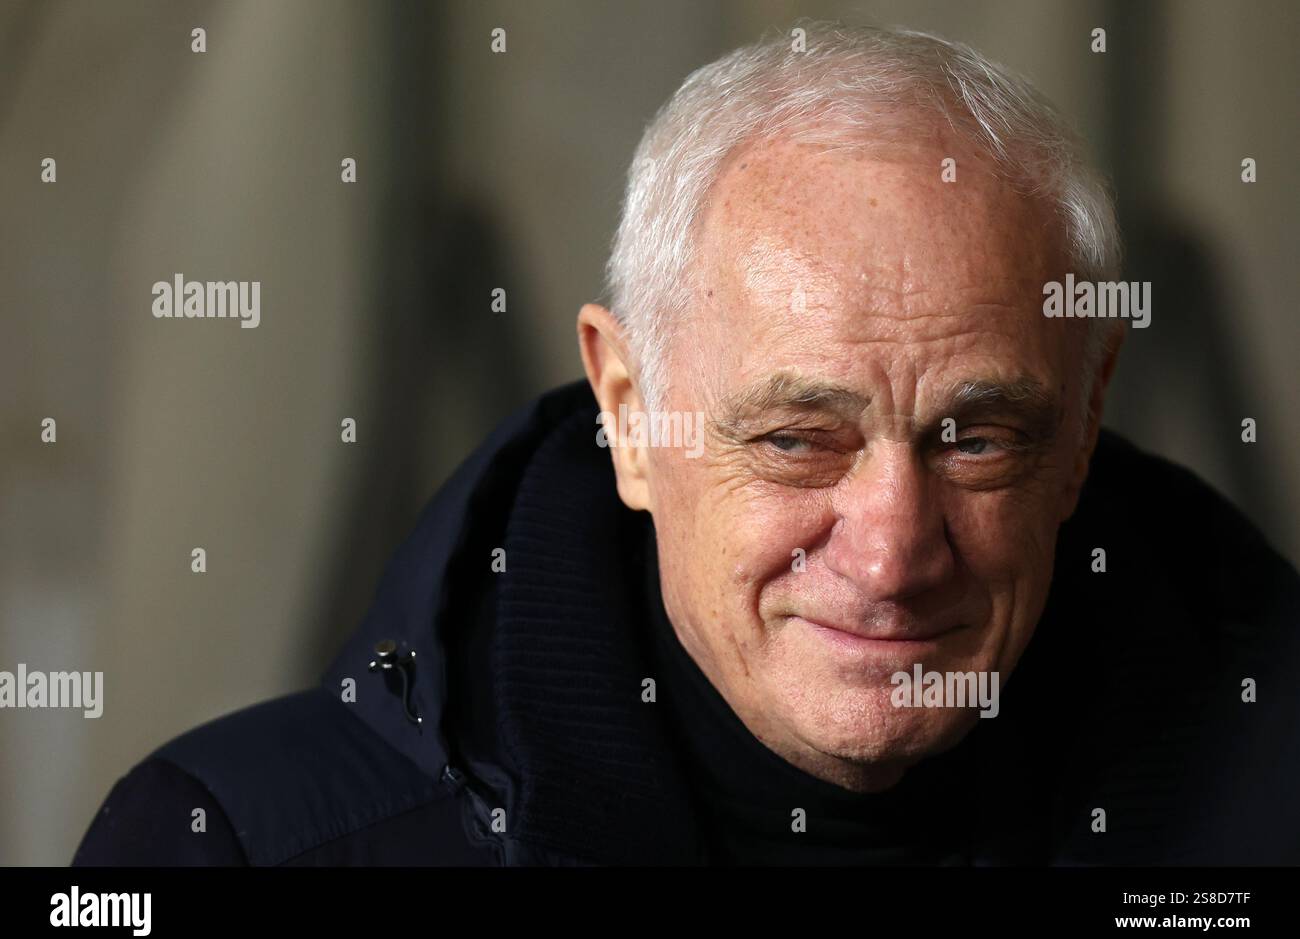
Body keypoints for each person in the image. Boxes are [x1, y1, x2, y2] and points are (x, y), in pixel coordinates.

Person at [74, 21, 1300, 866]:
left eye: (973, 440)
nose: (891, 555)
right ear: (626, 410)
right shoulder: (233, 847)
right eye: (796, 439)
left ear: (1083, 419)